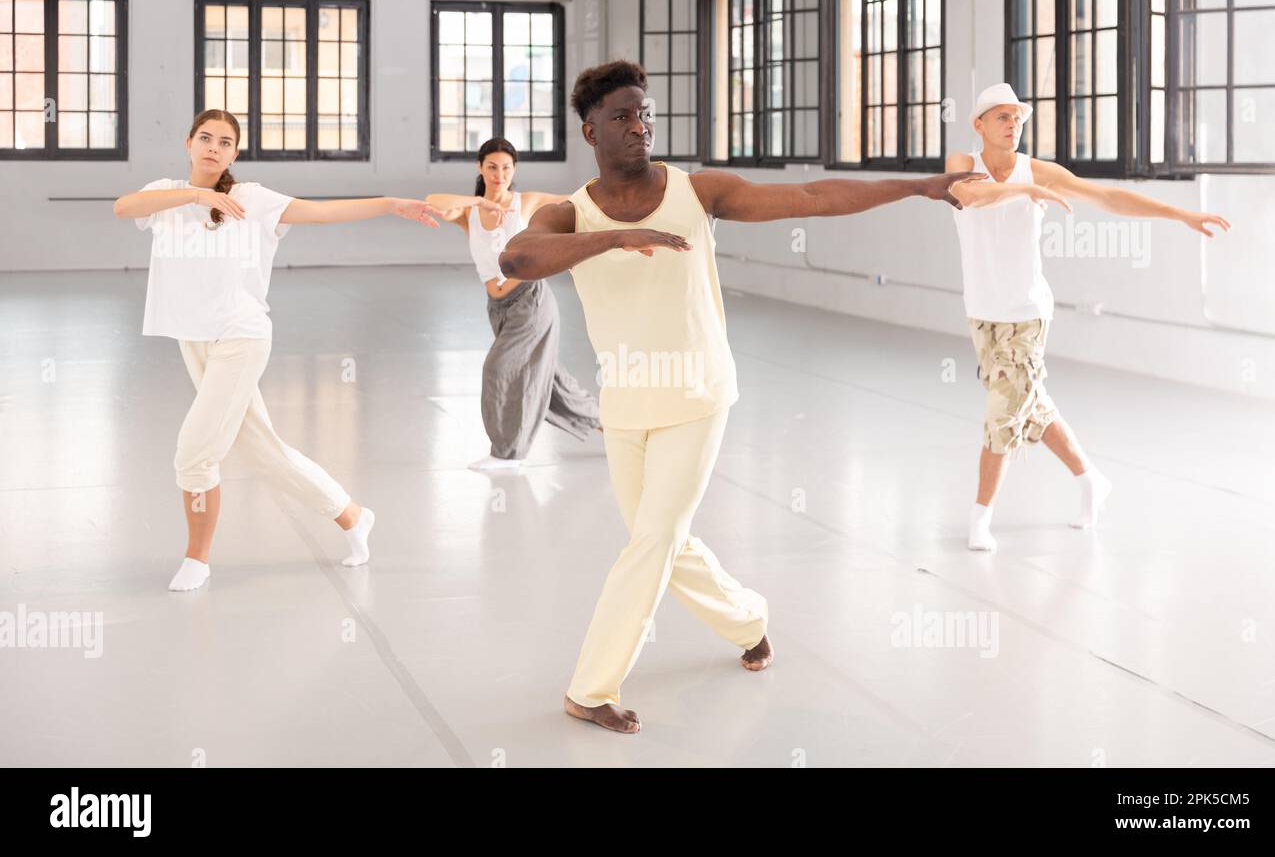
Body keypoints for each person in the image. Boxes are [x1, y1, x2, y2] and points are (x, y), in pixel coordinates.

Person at [499, 60, 984, 734]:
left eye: (645, 113)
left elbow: (812, 197)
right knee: (661, 542)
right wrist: (614, 238)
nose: (639, 126)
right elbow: (515, 261)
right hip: (627, 406)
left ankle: (591, 686)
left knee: (651, 544)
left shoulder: (697, 192)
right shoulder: (567, 213)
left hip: (698, 395)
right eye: (621, 116)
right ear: (589, 130)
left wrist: (921, 186)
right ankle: (750, 622)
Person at [114, 109, 441, 591]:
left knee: (195, 453)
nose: (213, 147)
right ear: (188, 143)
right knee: (264, 452)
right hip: (195, 339)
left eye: (225, 142)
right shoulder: (165, 194)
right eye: (205, 138)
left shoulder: (252, 199)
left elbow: (323, 212)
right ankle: (352, 516)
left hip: (241, 338)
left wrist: (390, 202)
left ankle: (197, 559)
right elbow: (123, 208)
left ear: (235, 153)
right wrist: (196, 194)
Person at [945, 83, 1231, 552]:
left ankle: (980, 518)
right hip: (982, 312)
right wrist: (1027, 190)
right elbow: (969, 197)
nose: (1014, 124)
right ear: (978, 124)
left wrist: (1178, 213)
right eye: (1003, 117)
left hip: (1026, 313)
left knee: (1003, 411)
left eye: (1018, 117)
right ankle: (1091, 479)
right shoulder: (962, 164)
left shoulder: (1037, 169)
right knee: (1030, 405)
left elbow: (1107, 197)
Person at [424, 137, 600, 472]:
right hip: (498, 308)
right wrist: (480, 204)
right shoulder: (468, 213)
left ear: (514, 170)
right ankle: (621, 430)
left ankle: (507, 453)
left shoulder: (526, 202)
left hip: (532, 302)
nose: (499, 174)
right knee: (549, 381)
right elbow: (433, 202)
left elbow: (578, 202)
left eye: (506, 167)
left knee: (498, 368)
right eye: (492, 166)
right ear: (480, 167)